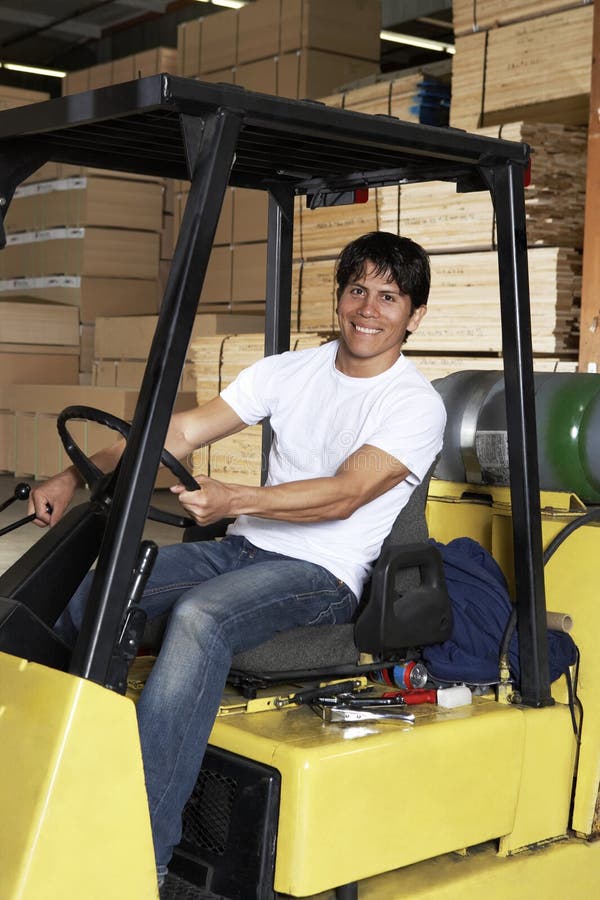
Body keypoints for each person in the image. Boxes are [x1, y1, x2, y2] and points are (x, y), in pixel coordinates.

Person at [29, 230, 446, 888]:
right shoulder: (290, 371)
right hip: (247, 549)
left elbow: (344, 495)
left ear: (414, 315)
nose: (369, 307)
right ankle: (48, 784)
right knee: (96, 592)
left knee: (201, 618)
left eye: (389, 296)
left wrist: (236, 496)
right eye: (358, 289)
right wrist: (69, 476)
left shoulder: (413, 404)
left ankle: (138, 858)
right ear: (339, 297)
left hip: (324, 576)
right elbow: (182, 432)